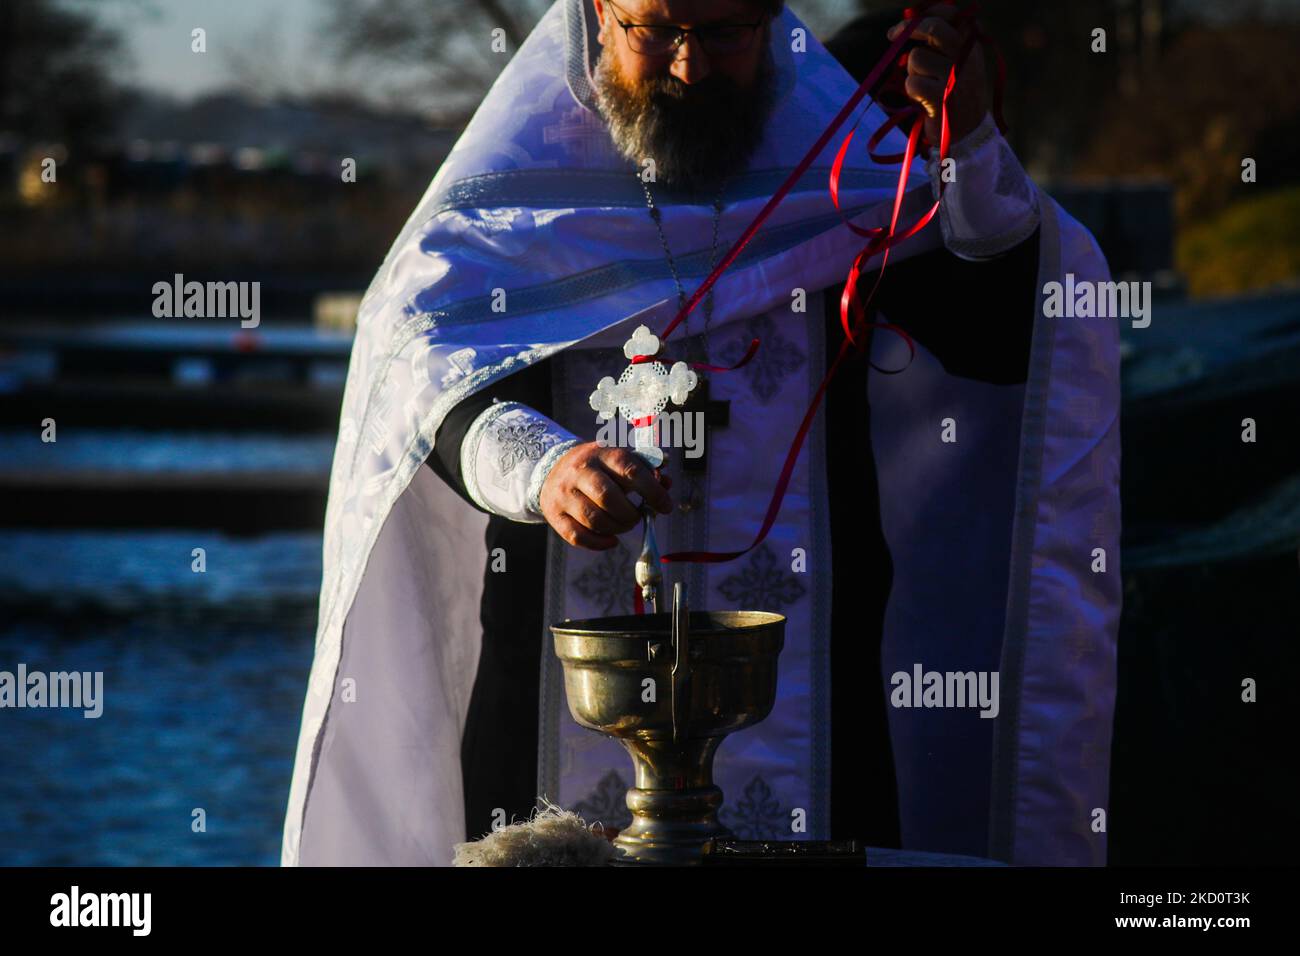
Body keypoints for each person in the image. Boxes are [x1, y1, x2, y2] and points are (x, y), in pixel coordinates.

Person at [282, 0, 1121, 867]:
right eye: (658, 31)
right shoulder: (506, 211)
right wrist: (548, 467)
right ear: (598, 14)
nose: (690, 68)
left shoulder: (841, 192)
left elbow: (1006, 328)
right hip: (546, 691)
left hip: (814, 688)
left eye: (725, 34)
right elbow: (431, 394)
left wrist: (970, 146)